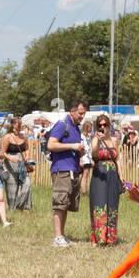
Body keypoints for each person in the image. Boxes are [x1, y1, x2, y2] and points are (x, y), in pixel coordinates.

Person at [48, 101, 87, 247]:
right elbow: (51, 144)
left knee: (66, 204)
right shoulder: (61, 125)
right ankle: (57, 237)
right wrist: (72, 146)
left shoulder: (76, 128)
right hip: (61, 170)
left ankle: (62, 236)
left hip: (72, 169)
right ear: (72, 111)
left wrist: (80, 151)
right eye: (80, 113)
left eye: (84, 113)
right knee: (60, 203)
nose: (82, 116)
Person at [87, 113, 120, 245]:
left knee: (112, 204)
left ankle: (110, 238)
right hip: (99, 173)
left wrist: (121, 176)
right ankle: (98, 238)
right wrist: (99, 140)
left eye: (105, 125)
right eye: (100, 125)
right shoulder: (95, 140)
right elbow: (94, 155)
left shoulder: (115, 140)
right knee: (99, 203)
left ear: (109, 126)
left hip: (112, 174)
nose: (102, 127)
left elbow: (118, 160)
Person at [0, 117, 32, 211]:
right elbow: (3, 152)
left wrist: (27, 156)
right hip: (10, 164)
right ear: (13, 125)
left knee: (27, 184)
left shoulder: (23, 136)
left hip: (21, 163)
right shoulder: (7, 137)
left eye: (21, 125)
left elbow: (27, 148)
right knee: (12, 187)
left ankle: (24, 205)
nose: (21, 127)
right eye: (19, 125)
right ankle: (12, 209)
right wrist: (11, 158)